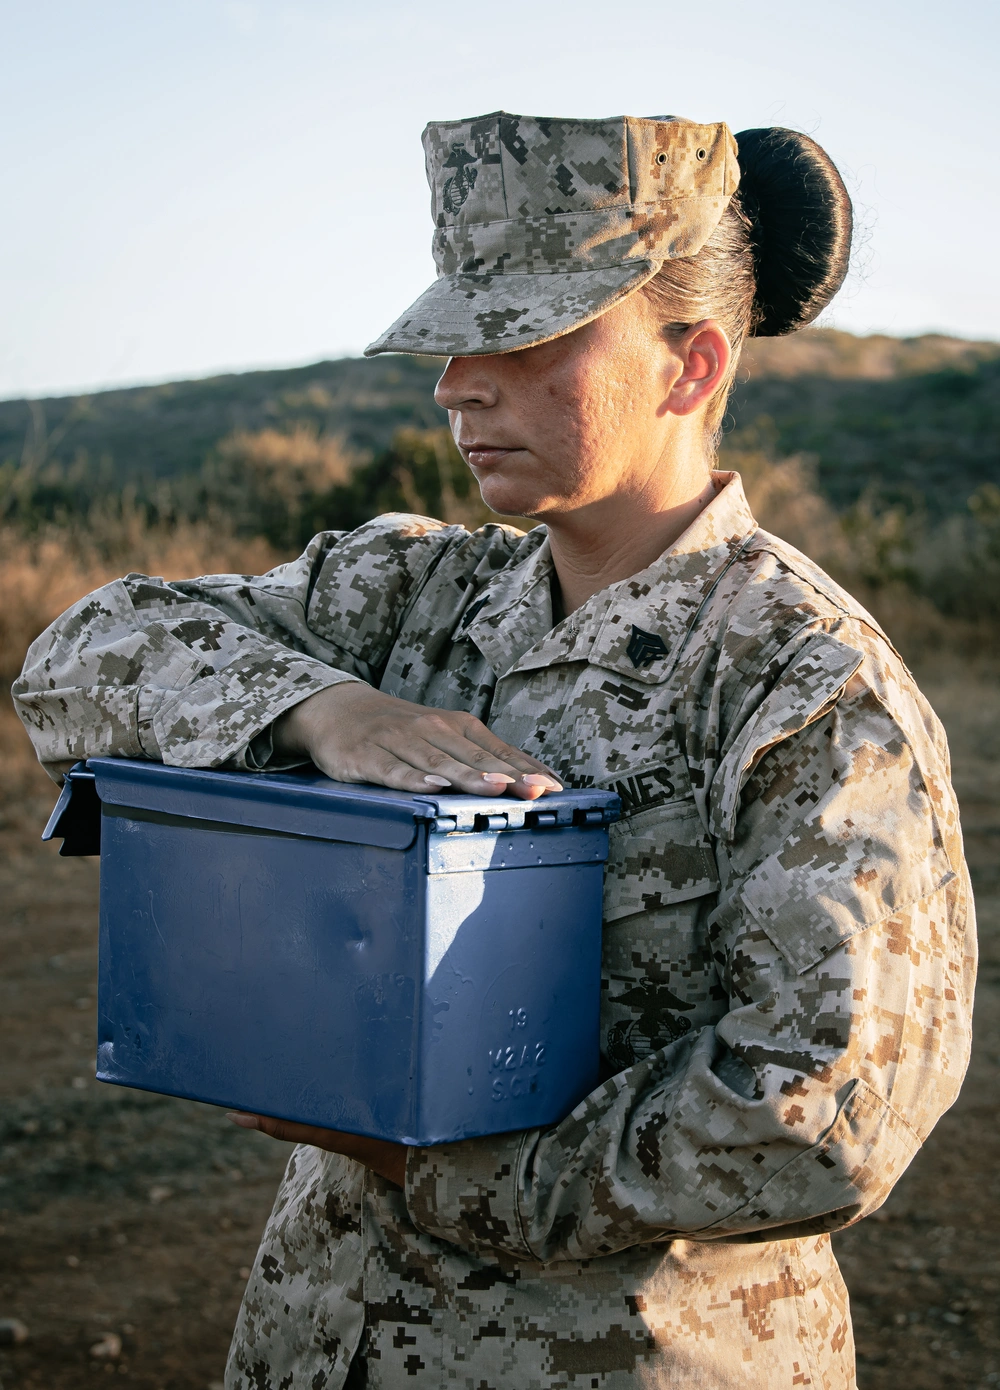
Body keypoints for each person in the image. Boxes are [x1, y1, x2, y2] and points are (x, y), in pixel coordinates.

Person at [14, 112, 975, 1390]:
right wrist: (326, 711)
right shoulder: (409, 593)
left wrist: (453, 1172)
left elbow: (825, 1113)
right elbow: (73, 659)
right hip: (313, 1342)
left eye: (523, 340)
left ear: (690, 365)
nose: (457, 384)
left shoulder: (804, 682)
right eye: (455, 341)